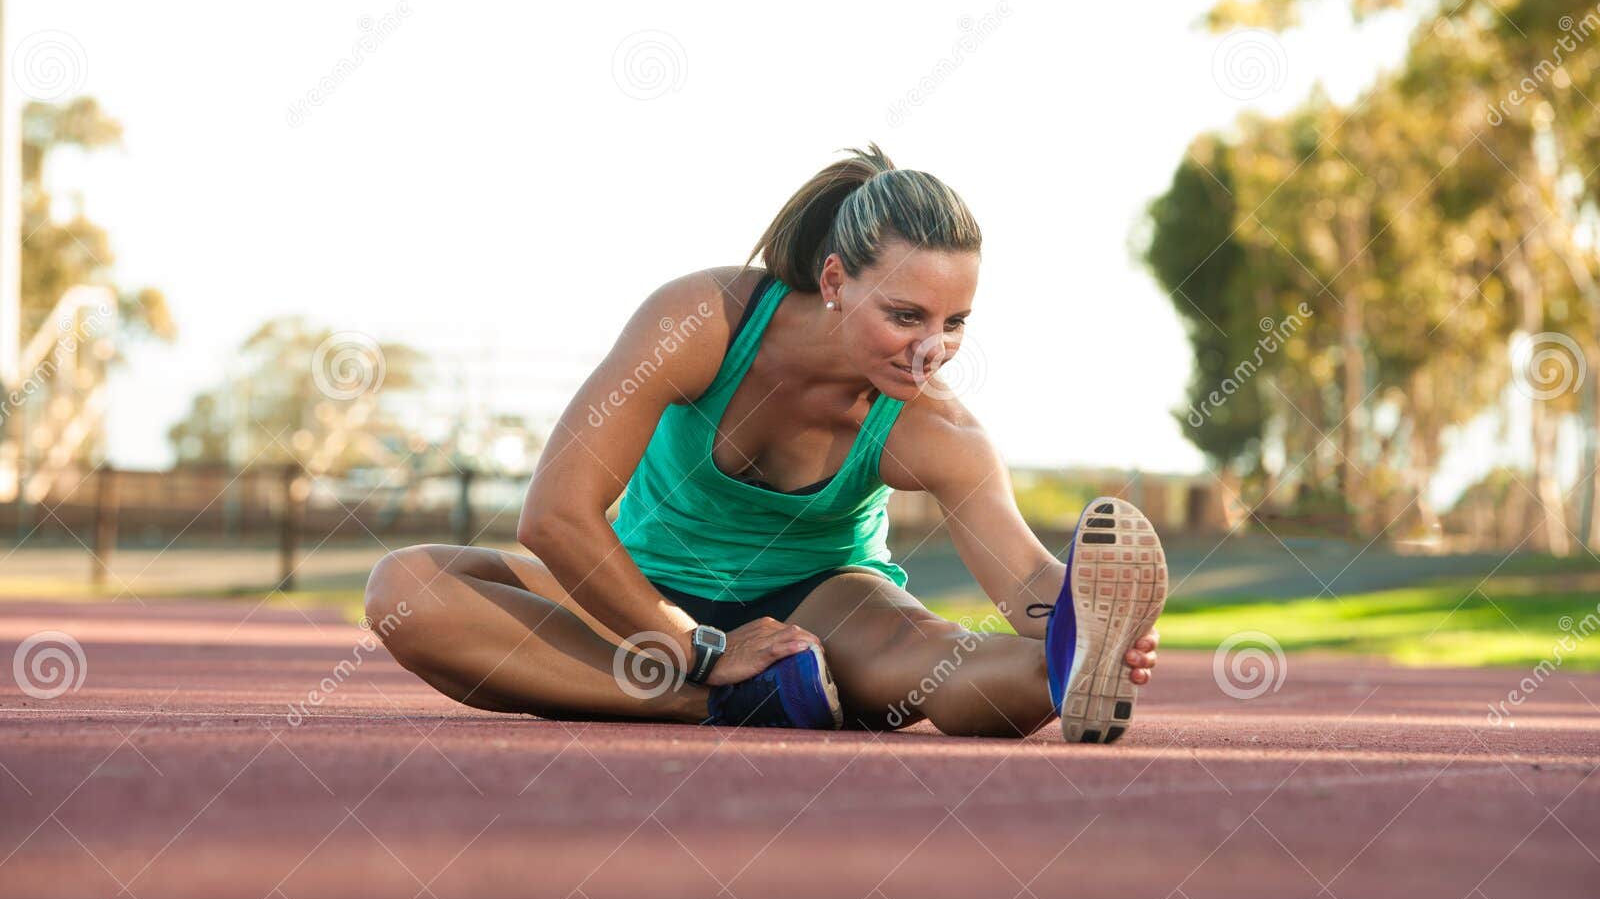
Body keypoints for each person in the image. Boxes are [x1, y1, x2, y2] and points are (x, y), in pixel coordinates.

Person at [364, 145, 1165, 741]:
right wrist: (698, 648)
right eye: (906, 316)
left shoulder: (936, 426)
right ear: (833, 281)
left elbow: (1021, 573)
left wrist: (1086, 620)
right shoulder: (700, 322)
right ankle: (728, 699)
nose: (931, 350)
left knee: (947, 655)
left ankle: (1060, 677)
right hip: (641, 599)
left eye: (954, 324)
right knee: (405, 588)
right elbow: (556, 516)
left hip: (826, 612)